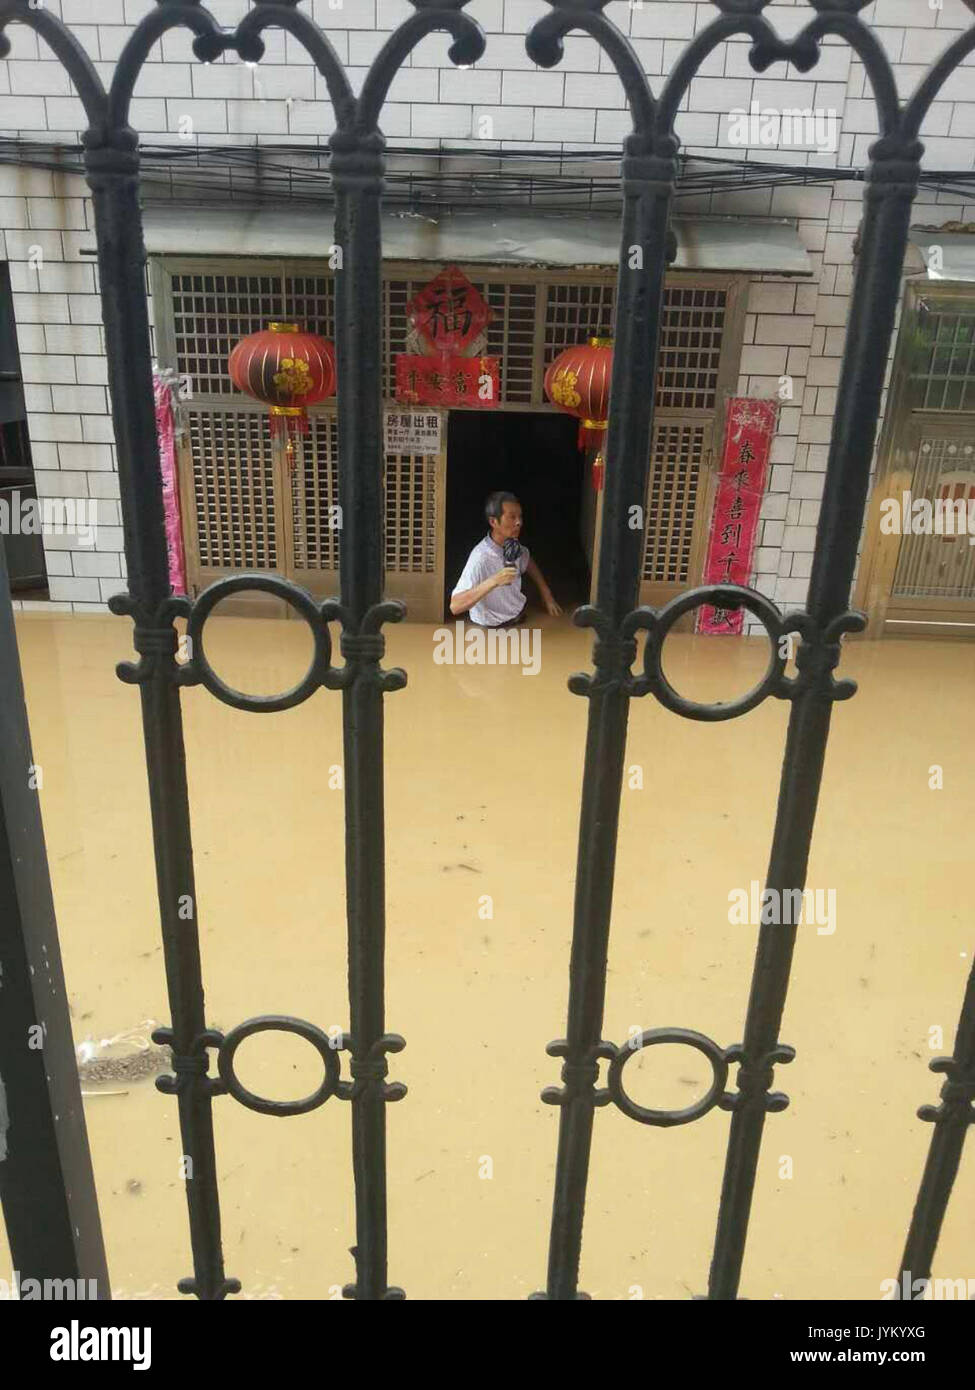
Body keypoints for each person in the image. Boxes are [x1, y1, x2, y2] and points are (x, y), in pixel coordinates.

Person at [450, 491, 562, 626]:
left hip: (520, 619)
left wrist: (546, 594)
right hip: (490, 630)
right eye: (512, 517)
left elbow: (528, 560)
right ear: (493, 521)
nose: (519, 522)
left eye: (520, 517)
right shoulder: (480, 558)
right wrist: (494, 580)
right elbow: (455, 606)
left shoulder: (514, 545)